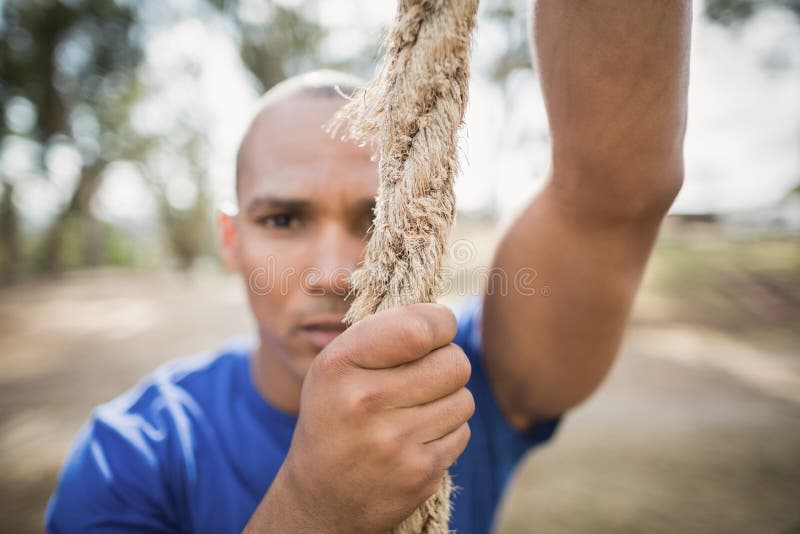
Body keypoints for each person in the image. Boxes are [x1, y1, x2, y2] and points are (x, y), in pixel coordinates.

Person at [46, 2, 691, 532]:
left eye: (374, 219)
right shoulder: (135, 455)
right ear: (230, 238)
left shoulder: (469, 379)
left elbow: (613, 186)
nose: (335, 272)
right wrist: (315, 506)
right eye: (283, 220)